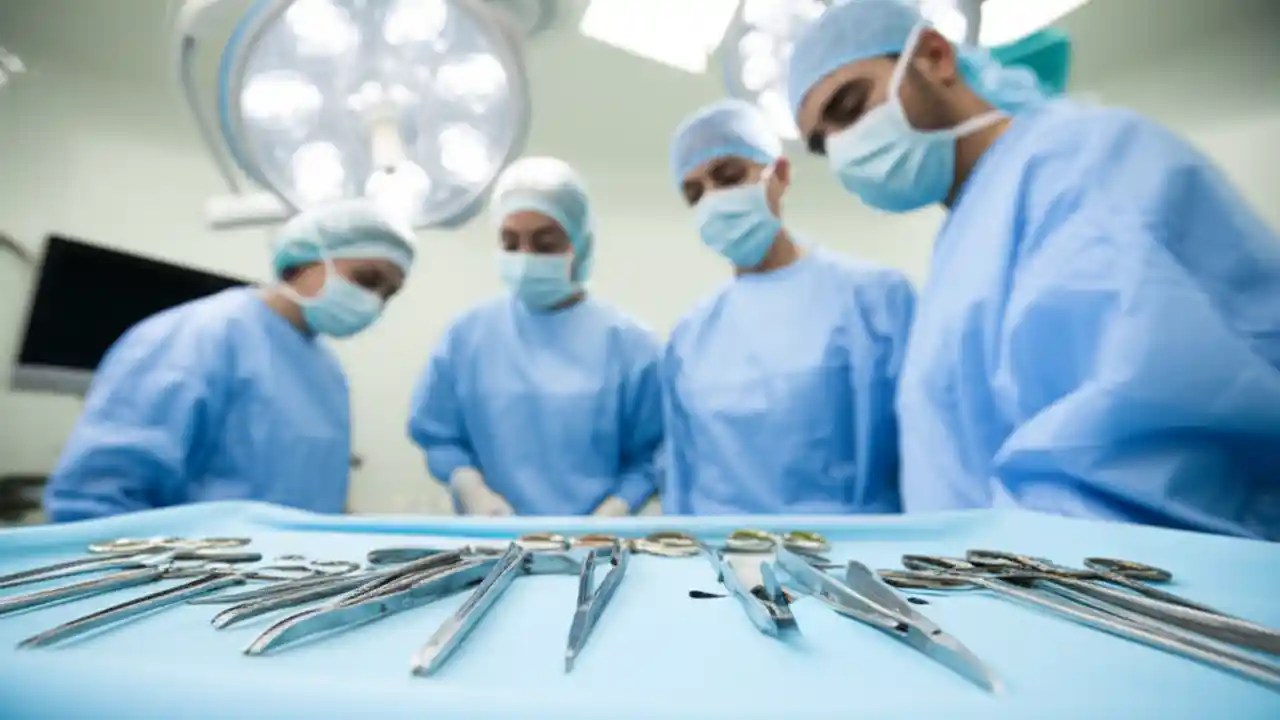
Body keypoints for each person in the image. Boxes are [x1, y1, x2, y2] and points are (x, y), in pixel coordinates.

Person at [787, 0, 1280, 538]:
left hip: (1108, 598)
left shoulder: (1083, 164)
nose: (842, 147)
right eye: (821, 142)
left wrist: (1031, 591)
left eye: (852, 106)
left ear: (935, 57)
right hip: (1006, 594)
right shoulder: (970, 232)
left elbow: (1124, 472)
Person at [44, 200, 415, 522]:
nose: (375, 300)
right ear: (304, 258)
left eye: (390, 293)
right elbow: (97, 498)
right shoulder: (198, 335)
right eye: (367, 279)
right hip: (182, 585)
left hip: (292, 585)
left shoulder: (327, 372)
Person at [663, 98, 915, 515]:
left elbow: (924, 448)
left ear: (779, 174)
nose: (712, 199)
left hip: (854, 559)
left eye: (728, 176)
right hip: (720, 561)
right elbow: (682, 482)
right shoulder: (690, 336)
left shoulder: (876, 300)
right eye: (694, 193)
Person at [408, 157, 662, 516]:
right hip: (489, 546)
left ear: (580, 245)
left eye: (544, 243)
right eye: (510, 243)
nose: (525, 257)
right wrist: (472, 488)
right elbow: (439, 435)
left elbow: (651, 455)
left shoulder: (631, 346)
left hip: (596, 547)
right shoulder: (467, 338)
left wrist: (615, 511)